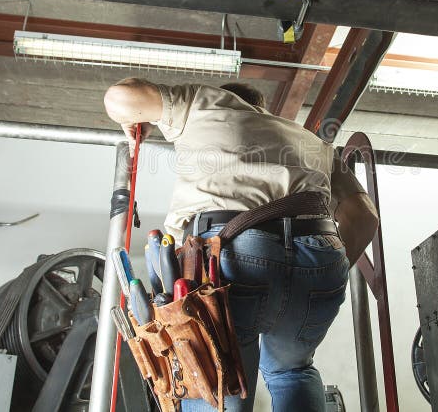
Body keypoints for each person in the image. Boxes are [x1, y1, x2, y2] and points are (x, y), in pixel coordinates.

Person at [104, 78, 379, 412]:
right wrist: (323, 271)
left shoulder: (205, 102)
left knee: (216, 374)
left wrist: (135, 120)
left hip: (235, 258)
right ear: (261, 108)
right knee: (293, 370)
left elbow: (119, 96)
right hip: (321, 258)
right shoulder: (312, 142)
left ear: (228, 97)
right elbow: (364, 218)